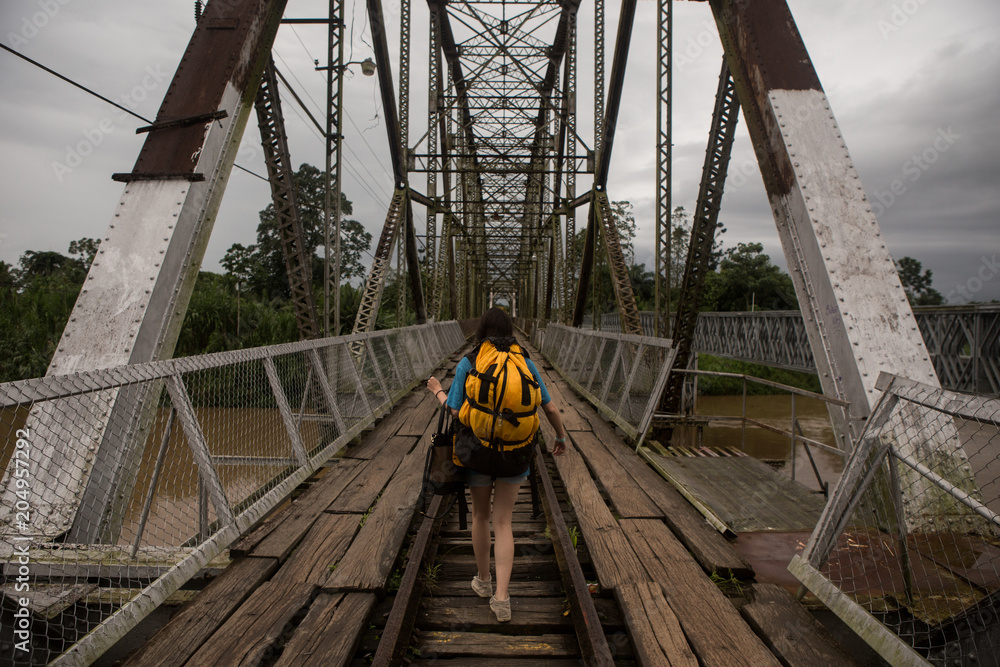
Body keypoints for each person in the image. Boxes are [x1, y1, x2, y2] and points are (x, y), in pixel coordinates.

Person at [426, 307, 567, 622]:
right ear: (511, 332)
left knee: (481, 515)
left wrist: (437, 392)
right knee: (503, 522)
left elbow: (453, 409)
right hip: (516, 454)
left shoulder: (470, 362)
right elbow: (551, 407)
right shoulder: (525, 364)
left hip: (478, 452)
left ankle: (483, 581)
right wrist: (560, 437)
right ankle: (502, 599)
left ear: (481, 332)